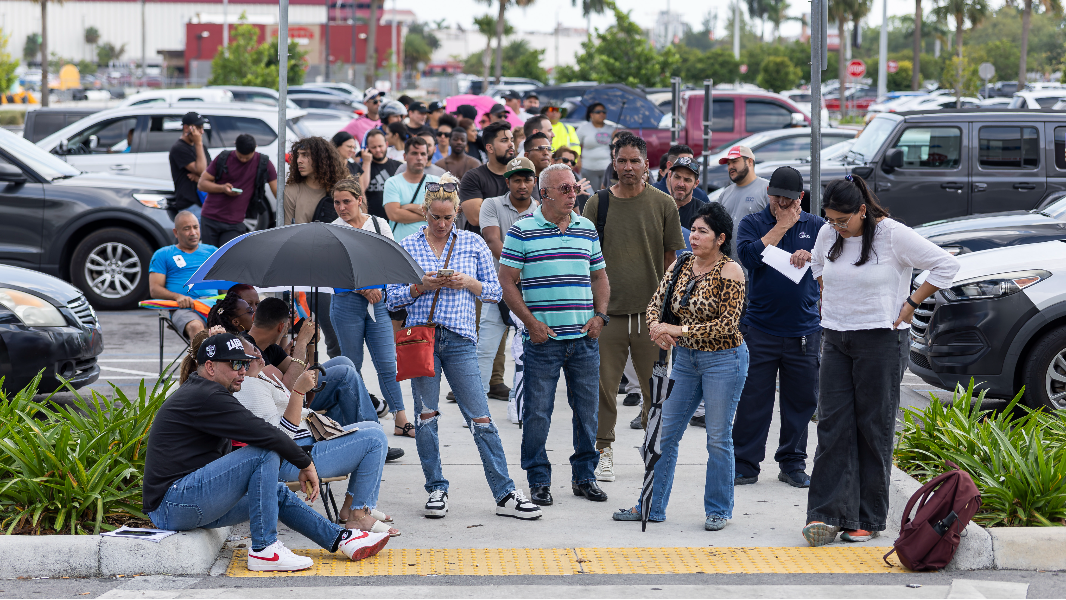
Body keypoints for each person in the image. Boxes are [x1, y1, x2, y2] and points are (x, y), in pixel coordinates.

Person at [143, 332, 390, 572]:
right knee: (264, 450)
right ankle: (265, 549)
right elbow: (264, 433)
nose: (242, 370)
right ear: (210, 366)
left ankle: (340, 539)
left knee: (276, 491)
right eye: (235, 364)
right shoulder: (206, 395)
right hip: (174, 504)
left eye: (244, 363)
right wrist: (305, 463)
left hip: (186, 502)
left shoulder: (206, 391)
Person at [803, 175, 959, 547]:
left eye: (843, 220)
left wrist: (910, 304)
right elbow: (818, 269)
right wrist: (835, 298)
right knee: (832, 425)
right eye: (830, 220)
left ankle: (868, 517)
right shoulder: (829, 234)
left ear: (861, 210)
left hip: (881, 339)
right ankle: (825, 513)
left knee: (872, 427)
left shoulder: (892, 235)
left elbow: (946, 266)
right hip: (836, 336)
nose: (836, 227)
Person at [385, 174, 541, 521]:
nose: (441, 224)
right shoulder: (409, 245)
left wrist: (468, 282)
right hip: (422, 338)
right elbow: (389, 297)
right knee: (426, 418)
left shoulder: (472, 244)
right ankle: (436, 487)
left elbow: (496, 290)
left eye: (447, 218)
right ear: (425, 213)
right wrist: (419, 287)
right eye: (435, 217)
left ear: (457, 214)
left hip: (460, 340)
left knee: (481, 417)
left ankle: (505, 493)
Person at [612, 202, 749, 532]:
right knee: (663, 434)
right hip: (685, 361)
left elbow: (728, 324)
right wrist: (657, 328)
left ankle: (718, 509)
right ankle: (651, 505)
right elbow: (655, 304)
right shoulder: (681, 264)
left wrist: (679, 330)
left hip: (724, 360)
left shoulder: (731, 271)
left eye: (703, 231)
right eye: (693, 229)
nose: (694, 236)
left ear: (720, 238)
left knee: (717, 438)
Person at [499, 163, 610, 507]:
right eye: (564, 189)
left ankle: (585, 477)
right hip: (543, 342)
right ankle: (539, 480)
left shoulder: (586, 228)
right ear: (543, 193)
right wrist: (531, 324)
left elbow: (599, 278)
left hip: (583, 341)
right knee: (537, 414)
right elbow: (506, 281)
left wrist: (600, 317)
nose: (572, 194)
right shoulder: (523, 230)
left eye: (574, 188)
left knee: (587, 412)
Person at [581, 133, 685, 481]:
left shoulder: (663, 204)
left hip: (650, 318)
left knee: (656, 391)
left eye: (634, 161)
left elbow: (673, 260)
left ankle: (653, 449)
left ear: (647, 165)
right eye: (622, 160)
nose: (628, 167)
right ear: (614, 162)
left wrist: (668, 311)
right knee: (603, 388)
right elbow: (585, 260)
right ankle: (603, 449)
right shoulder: (597, 204)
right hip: (606, 314)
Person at [225, 336, 398, 536]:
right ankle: (358, 515)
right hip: (292, 459)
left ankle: (355, 507)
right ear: (239, 363)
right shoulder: (248, 387)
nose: (258, 355)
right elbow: (280, 439)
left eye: (256, 349)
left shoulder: (257, 378)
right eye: (251, 355)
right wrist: (298, 391)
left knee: (372, 428)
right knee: (375, 440)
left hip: (299, 448)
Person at [731, 165, 824, 488]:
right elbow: (748, 257)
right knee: (753, 399)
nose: (781, 205)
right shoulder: (752, 223)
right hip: (760, 328)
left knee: (800, 402)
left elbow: (832, 262)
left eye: (788, 200)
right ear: (768, 194)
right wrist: (782, 227)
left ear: (800, 197)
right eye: (776, 198)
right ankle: (744, 463)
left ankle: (793, 462)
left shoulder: (817, 226)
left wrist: (810, 256)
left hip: (803, 330)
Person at [330, 178, 415, 438]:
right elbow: (334, 271)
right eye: (336, 202)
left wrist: (377, 287)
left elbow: (390, 260)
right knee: (352, 366)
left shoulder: (378, 224)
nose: (342, 207)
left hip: (378, 302)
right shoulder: (333, 229)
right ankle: (361, 420)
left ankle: (400, 418)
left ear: (359, 200)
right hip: (347, 302)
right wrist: (364, 287)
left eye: (347, 201)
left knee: (388, 364)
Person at [247, 298, 388, 439]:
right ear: (281, 327)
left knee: (344, 362)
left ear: (254, 317)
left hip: (298, 396)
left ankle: (345, 437)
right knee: (345, 375)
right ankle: (373, 436)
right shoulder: (250, 351)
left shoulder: (270, 348)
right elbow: (287, 390)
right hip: (286, 405)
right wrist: (301, 342)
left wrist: (311, 345)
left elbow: (310, 380)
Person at [475, 157, 540, 400]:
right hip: (497, 288)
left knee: (528, 350)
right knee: (485, 350)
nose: (522, 185)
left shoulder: (542, 211)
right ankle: (476, 404)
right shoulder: (491, 205)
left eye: (527, 179)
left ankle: (521, 404)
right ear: (508, 182)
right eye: (517, 180)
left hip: (532, 291)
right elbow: (493, 242)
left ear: (534, 182)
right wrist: (520, 269)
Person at [282, 136, 351, 359]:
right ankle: (307, 387)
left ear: (321, 159)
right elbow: (286, 232)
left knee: (336, 337)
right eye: (297, 156)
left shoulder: (340, 189)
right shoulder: (292, 191)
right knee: (306, 336)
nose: (299, 161)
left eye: (305, 156)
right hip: (305, 270)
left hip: (336, 269)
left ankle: (337, 381)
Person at [197, 134, 279, 246]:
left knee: (227, 258)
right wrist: (222, 188)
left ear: (255, 147)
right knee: (210, 257)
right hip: (210, 218)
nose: (244, 160)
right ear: (235, 146)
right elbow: (202, 184)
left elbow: (277, 191)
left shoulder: (264, 163)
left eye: (247, 157)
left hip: (235, 223)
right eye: (240, 156)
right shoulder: (223, 157)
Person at [148, 211, 218, 339]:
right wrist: (178, 297)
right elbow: (154, 289)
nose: (193, 232)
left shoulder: (212, 251)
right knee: (196, 327)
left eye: (195, 227)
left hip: (214, 305)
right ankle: (201, 359)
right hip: (184, 308)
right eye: (187, 229)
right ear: (176, 232)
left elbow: (225, 284)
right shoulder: (163, 254)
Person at [458, 121, 514, 231]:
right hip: (479, 245)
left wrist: (487, 207)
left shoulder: (522, 174)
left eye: (511, 140)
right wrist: (515, 210)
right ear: (490, 148)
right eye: (504, 140)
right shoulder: (473, 177)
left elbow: (532, 211)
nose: (511, 144)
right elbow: (475, 217)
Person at [716, 145, 769, 258]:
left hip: (757, 268)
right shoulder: (725, 194)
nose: (730, 167)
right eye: (728, 164)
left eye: (734, 161)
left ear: (749, 161)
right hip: (728, 270)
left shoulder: (767, 190)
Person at [384, 136, 440, 241]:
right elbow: (394, 215)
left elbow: (442, 213)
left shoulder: (436, 182)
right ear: (405, 156)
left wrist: (409, 207)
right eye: (414, 153)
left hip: (431, 245)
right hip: (400, 245)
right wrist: (429, 215)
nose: (419, 158)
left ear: (427, 157)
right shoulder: (392, 182)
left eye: (423, 154)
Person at [168, 111, 211, 218]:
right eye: (198, 128)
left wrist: (199, 178)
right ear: (187, 128)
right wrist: (198, 143)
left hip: (204, 202)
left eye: (202, 128)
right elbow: (201, 170)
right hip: (190, 205)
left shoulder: (202, 148)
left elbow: (210, 172)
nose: (202, 132)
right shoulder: (179, 148)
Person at [363, 129, 403, 221]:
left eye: (380, 146)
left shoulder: (399, 166)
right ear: (367, 148)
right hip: (371, 221)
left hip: (394, 220)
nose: (378, 150)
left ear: (387, 145)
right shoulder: (363, 167)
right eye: (373, 147)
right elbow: (362, 189)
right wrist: (366, 163)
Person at [575, 102, 616, 191]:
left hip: (607, 167)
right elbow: (576, 147)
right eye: (598, 112)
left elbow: (617, 148)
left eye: (604, 112)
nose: (601, 114)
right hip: (588, 168)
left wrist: (616, 136)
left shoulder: (612, 129)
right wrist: (578, 163)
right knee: (591, 195)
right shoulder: (583, 128)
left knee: (606, 194)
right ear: (591, 114)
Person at [665, 157, 707, 230]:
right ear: (669, 176)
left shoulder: (704, 213)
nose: (681, 184)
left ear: (696, 183)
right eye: (677, 177)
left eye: (687, 180)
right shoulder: (657, 207)